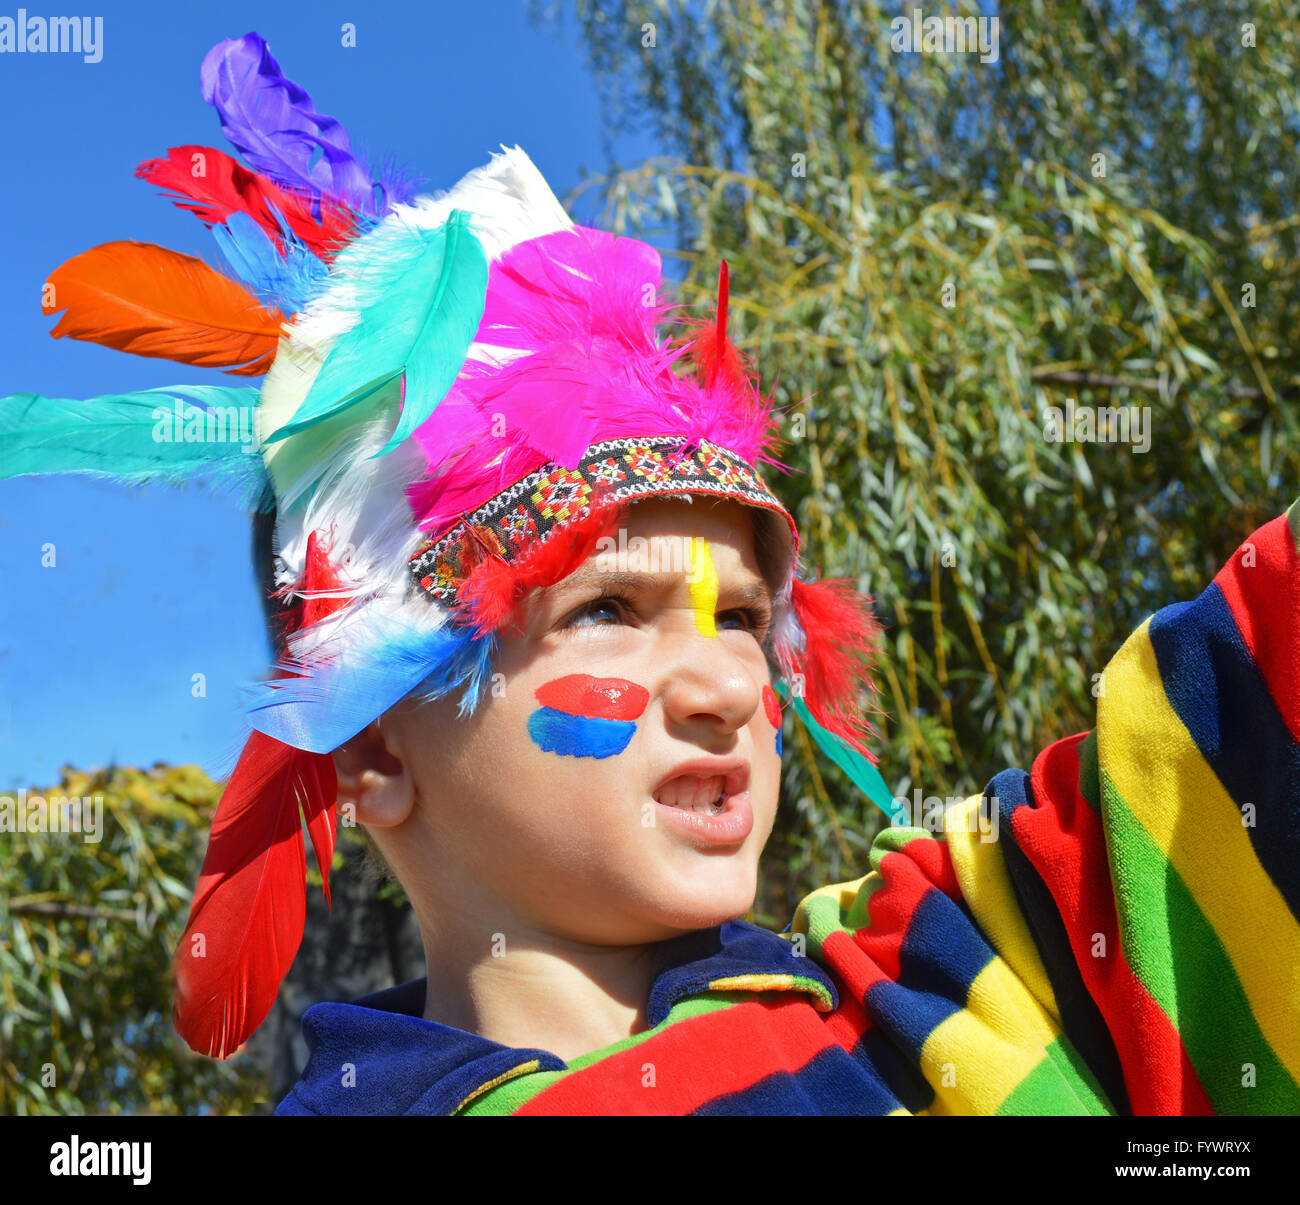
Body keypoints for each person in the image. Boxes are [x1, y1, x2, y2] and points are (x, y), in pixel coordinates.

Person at [2, 31, 1295, 1116]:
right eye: (607, 607)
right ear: (379, 748)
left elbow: (1217, 735)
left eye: (744, 616)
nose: (726, 683)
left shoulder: (945, 995)